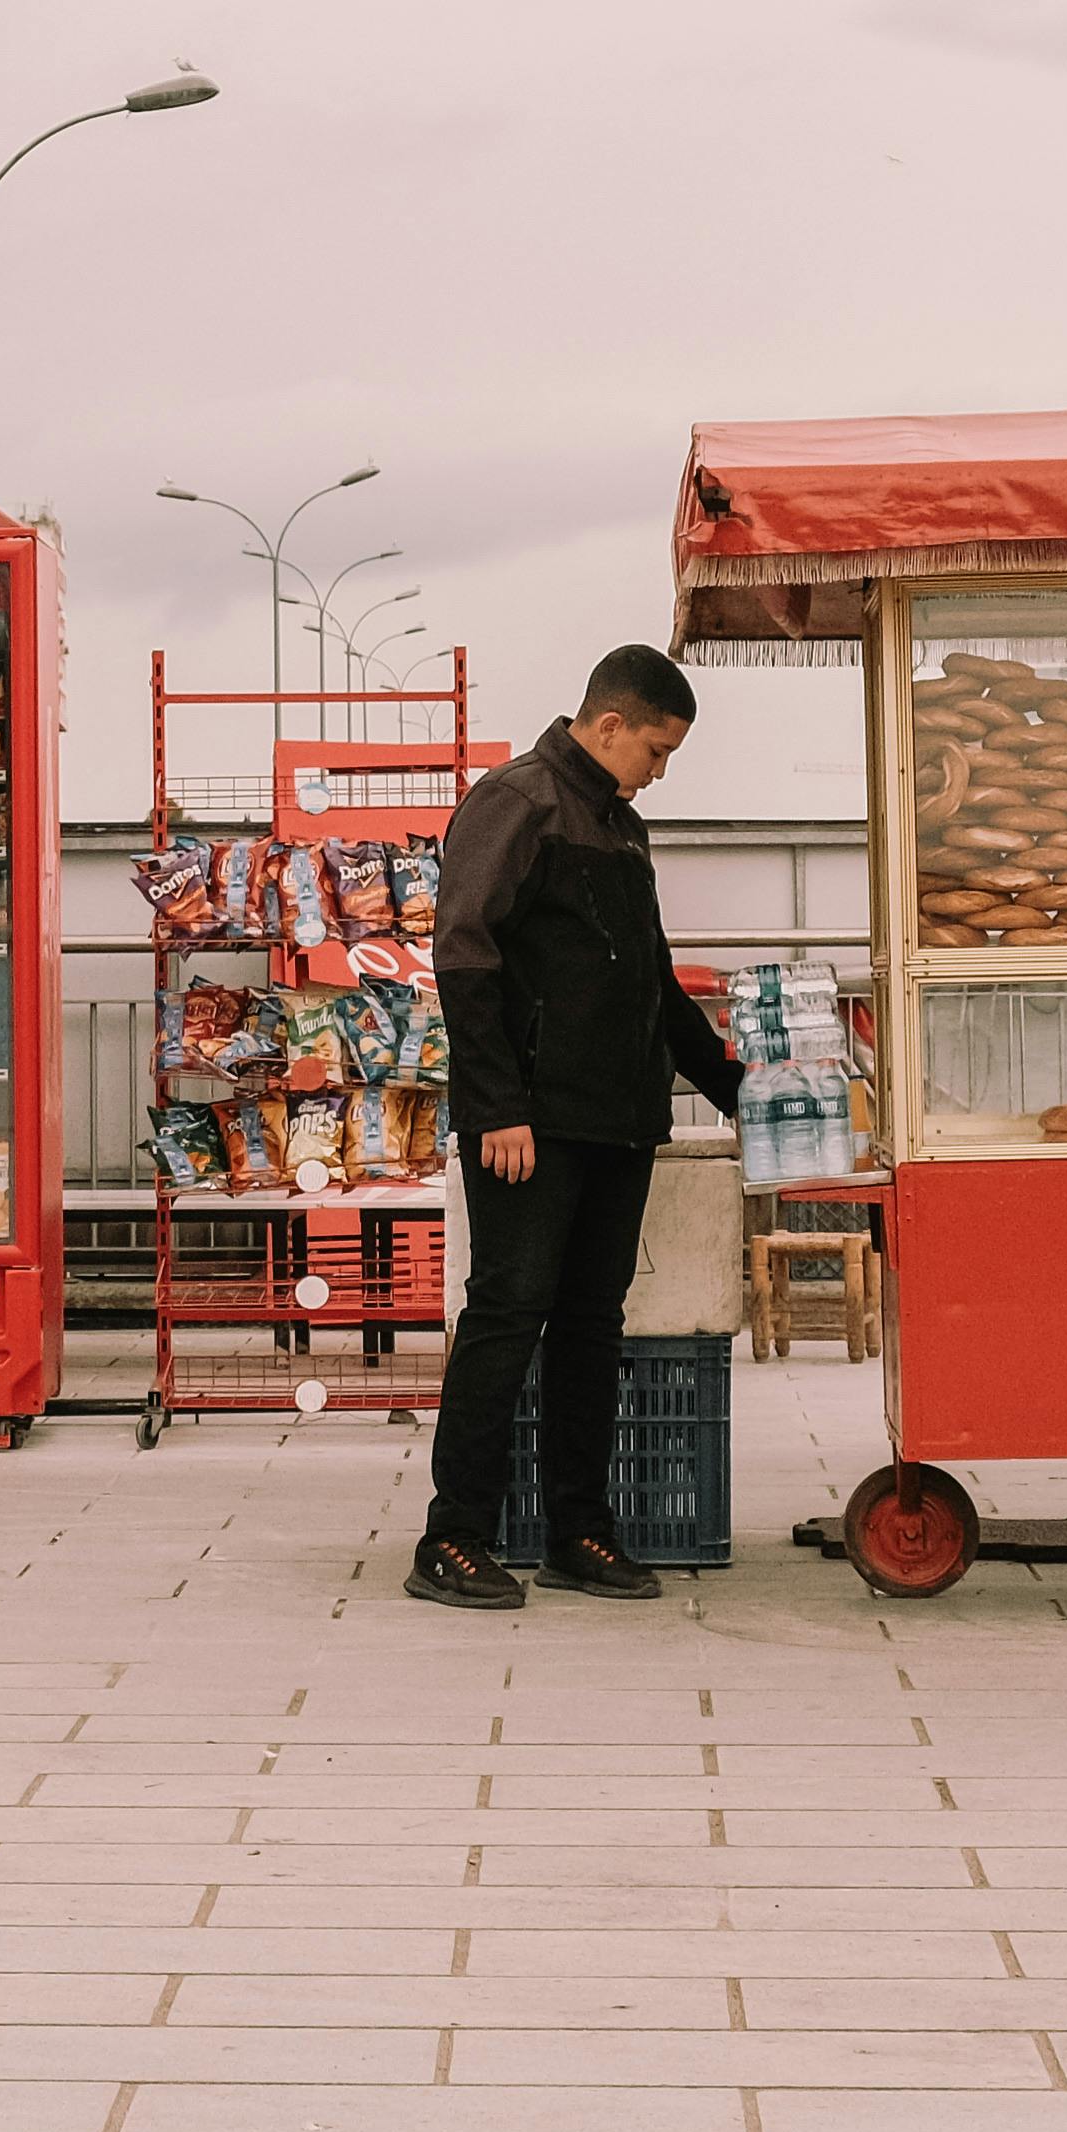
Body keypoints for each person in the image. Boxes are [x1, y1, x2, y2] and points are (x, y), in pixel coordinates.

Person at [406, 645, 747, 1611]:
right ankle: (453, 1536)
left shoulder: (622, 827)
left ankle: (578, 1531)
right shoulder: (517, 801)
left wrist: (732, 1086)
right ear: (607, 726)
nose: (660, 768)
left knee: (593, 1327)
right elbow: (462, 952)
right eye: (656, 747)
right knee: (507, 1316)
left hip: (619, 1119)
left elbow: (651, 981)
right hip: (530, 1123)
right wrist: (497, 1105)